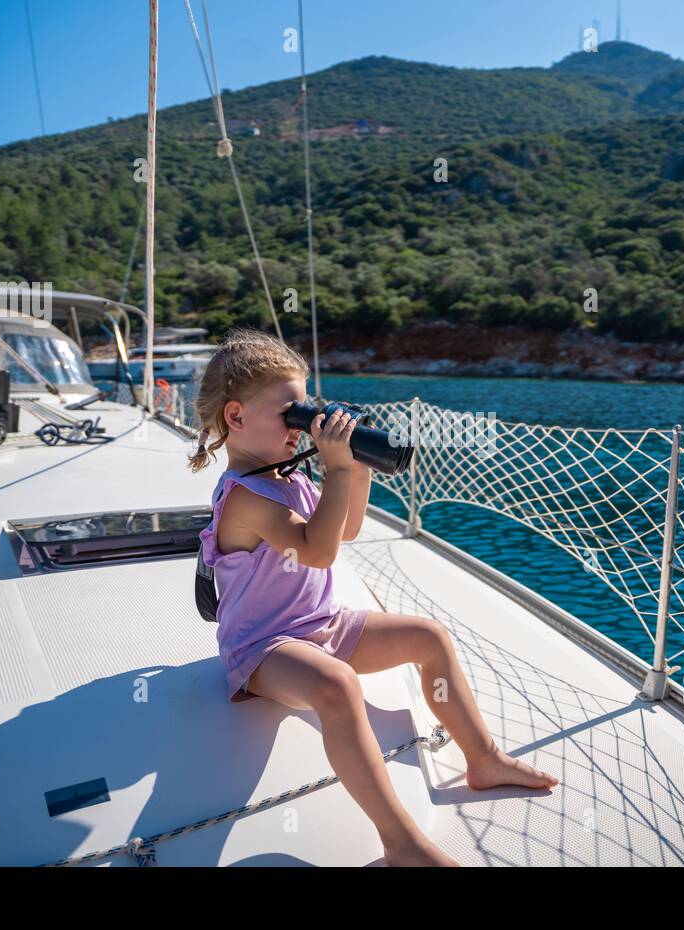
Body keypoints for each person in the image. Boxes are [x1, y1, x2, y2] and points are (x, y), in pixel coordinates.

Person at [188, 328, 557, 866]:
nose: (302, 424)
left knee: (427, 636)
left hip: (321, 624)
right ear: (237, 417)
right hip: (265, 648)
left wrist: (354, 467)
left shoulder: (288, 476)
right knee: (337, 683)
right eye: (289, 412)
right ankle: (402, 844)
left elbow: (348, 529)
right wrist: (335, 466)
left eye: (304, 409)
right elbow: (316, 552)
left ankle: (484, 759)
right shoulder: (245, 496)